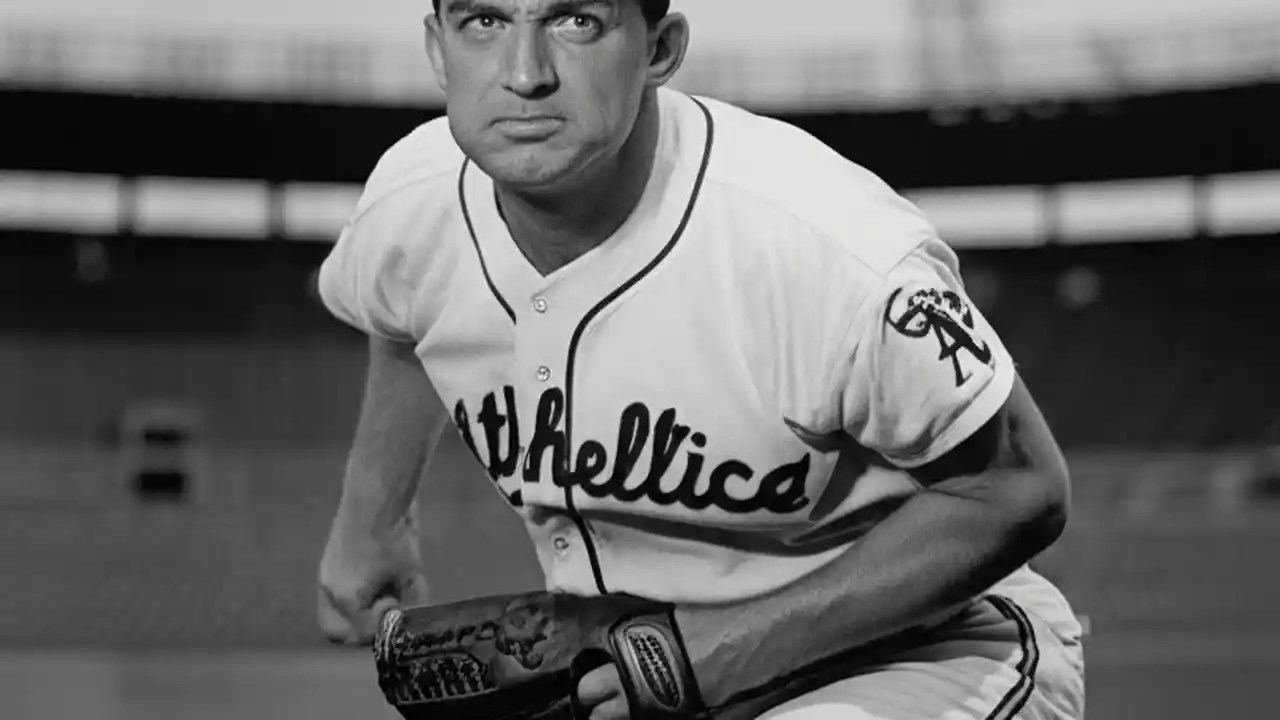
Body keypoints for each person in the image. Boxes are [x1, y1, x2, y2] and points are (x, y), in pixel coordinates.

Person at [314, 0, 1087, 718]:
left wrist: (717, 654)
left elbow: (1020, 487)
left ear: (661, 49)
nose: (524, 72)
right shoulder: (411, 204)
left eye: (575, 19)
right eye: (482, 21)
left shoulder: (821, 248)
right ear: (437, 50)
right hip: (655, 675)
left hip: (928, 653)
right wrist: (371, 522)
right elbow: (401, 310)